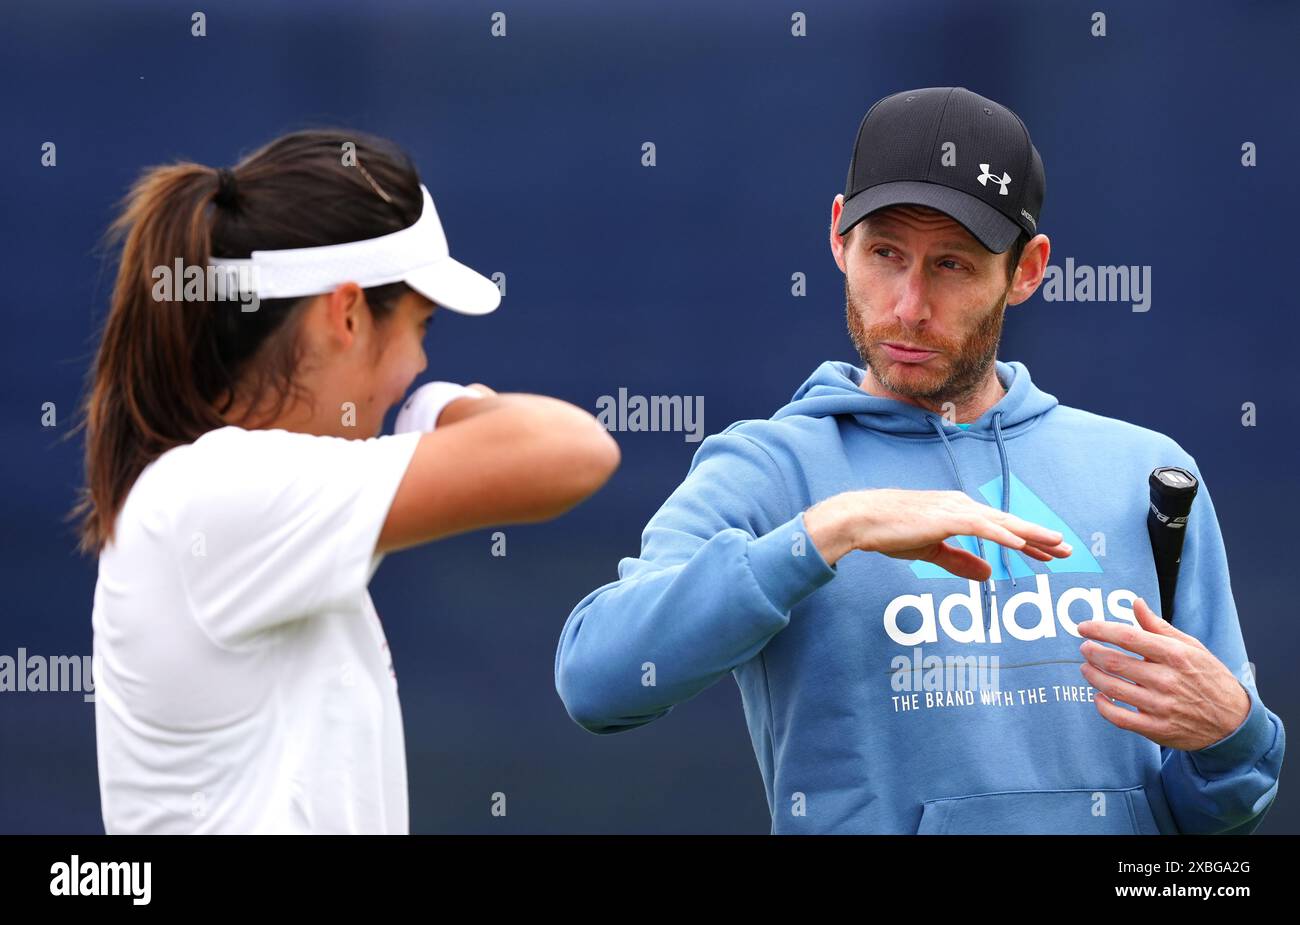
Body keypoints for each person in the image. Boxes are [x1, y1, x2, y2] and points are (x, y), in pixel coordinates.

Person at [555, 87, 1284, 834]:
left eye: (953, 266)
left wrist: (1236, 736)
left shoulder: (1147, 472)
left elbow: (1212, 816)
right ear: (838, 236)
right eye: (885, 253)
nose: (907, 305)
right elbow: (597, 680)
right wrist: (827, 530)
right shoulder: (768, 469)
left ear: (1027, 270)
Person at [73, 129, 620, 834]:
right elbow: (573, 449)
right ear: (349, 313)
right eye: (421, 326)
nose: (419, 363)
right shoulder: (222, 489)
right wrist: (431, 413)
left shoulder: (240, 492)